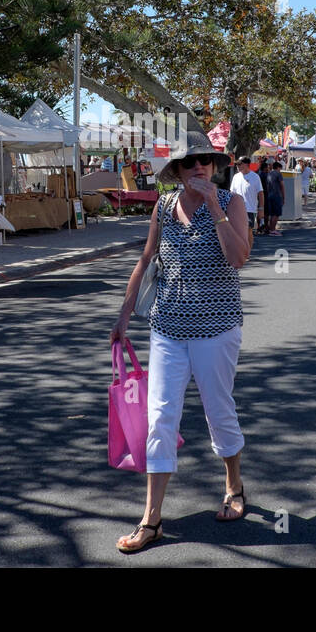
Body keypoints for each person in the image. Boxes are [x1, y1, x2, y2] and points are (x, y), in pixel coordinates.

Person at [109, 133, 250, 553]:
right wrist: (123, 312)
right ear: (177, 171)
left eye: (205, 161)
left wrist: (212, 207)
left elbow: (239, 257)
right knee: (160, 419)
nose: (199, 169)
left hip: (217, 328)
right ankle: (151, 520)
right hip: (166, 328)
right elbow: (147, 258)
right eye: (190, 164)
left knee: (217, 409)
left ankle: (234, 485)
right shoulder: (164, 207)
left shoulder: (230, 203)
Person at [229, 156, 261, 236]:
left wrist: (261, 209)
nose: (237, 166)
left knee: (248, 230)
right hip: (237, 209)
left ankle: (248, 248)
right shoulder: (236, 177)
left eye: (240, 164)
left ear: (246, 164)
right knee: (238, 231)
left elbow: (260, 193)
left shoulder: (255, 177)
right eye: (237, 164)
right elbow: (232, 193)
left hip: (250, 209)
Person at [263, 158, 285, 236]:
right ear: (278, 167)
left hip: (269, 196)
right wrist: (283, 197)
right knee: (276, 214)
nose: (280, 170)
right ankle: (272, 230)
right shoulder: (278, 174)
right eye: (280, 169)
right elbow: (282, 186)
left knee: (272, 214)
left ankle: (271, 229)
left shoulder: (269, 174)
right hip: (276, 195)